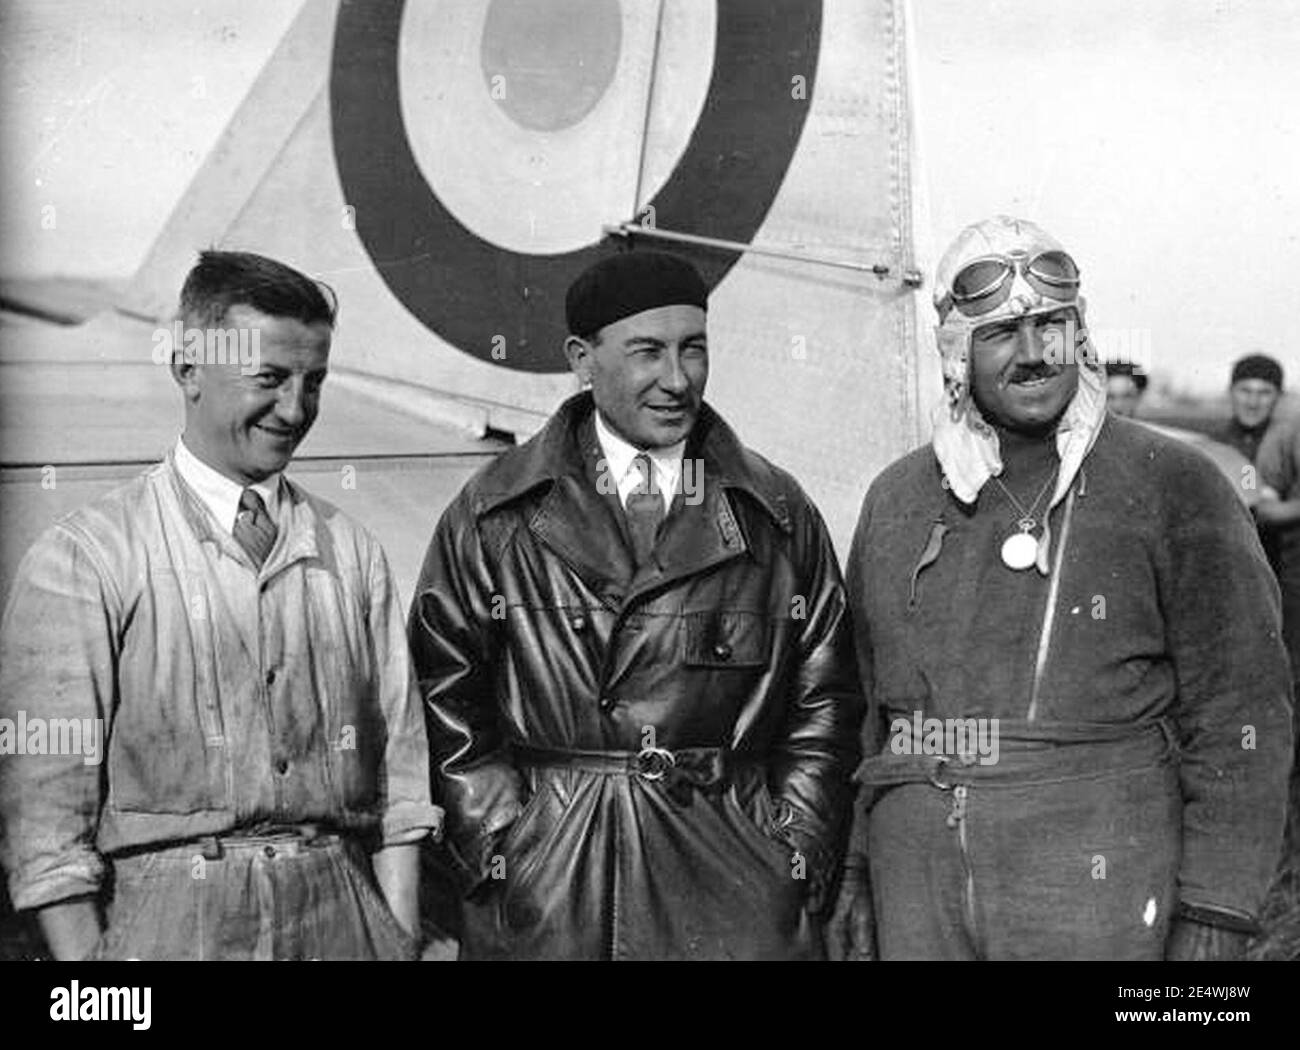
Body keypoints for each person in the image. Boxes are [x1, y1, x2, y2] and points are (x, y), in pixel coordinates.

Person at [828, 216, 1292, 961]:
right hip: (919, 887)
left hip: (1099, 887)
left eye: (1052, 324)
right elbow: (869, 712)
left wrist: (1217, 907)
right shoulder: (899, 498)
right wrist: (857, 867)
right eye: (1004, 332)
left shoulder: (1172, 484)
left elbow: (1243, 709)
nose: (1037, 352)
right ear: (957, 351)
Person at [408, 250, 861, 960]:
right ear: (583, 361)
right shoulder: (494, 514)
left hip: (732, 883)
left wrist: (790, 847)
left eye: (694, 350)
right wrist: (502, 846)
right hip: (550, 890)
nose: (676, 380)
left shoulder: (775, 514)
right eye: (647, 352)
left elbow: (825, 702)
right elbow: (446, 695)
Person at [0, 250, 440, 960]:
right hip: (165, 930)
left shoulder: (352, 553)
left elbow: (402, 783)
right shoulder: (83, 559)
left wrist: (398, 937)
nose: (295, 410)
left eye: (314, 381)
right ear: (188, 370)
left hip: (343, 920)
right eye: (268, 379)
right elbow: (46, 825)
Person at [1214, 353, 1284, 463]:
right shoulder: (1209, 447)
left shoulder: (1289, 452)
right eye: (1245, 391)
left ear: (1279, 396)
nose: (1253, 403)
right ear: (1230, 391)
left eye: (1264, 393)